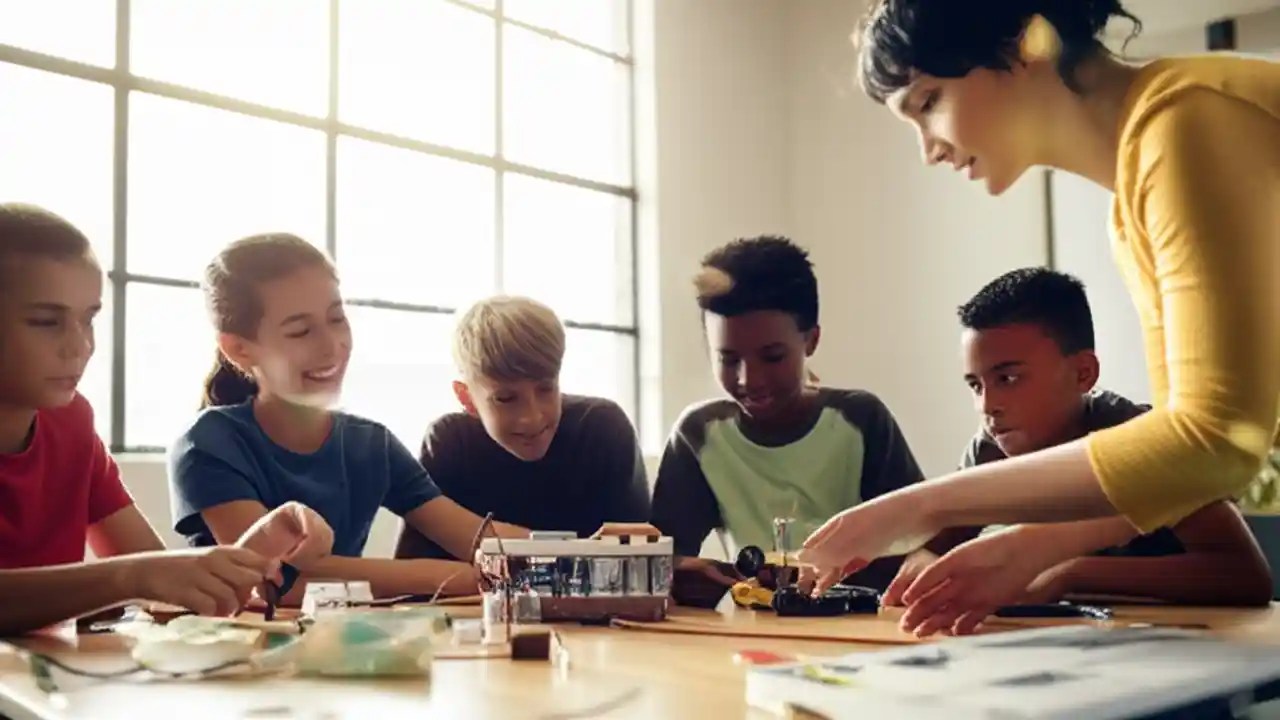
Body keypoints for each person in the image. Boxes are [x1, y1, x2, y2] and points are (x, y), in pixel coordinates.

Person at [801, 0, 1280, 636]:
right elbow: (1191, 461)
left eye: (929, 102)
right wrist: (1030, 547)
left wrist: (920, 506)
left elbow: (1213, 441)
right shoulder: (1134, 207)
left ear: (1024, 43)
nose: (928, 150)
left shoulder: (1187, 121)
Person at [0, 203, 328, 635]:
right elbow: (138, 573)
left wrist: (250, 554)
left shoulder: (72, 422)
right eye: (46, 322)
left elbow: (159, 585)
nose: (81, 345)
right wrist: (132, 576)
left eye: (89, 319)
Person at [882, 268, 1271, 611]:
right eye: (975, 385)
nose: (988, 405)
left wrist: (1072, 573)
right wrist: (924, 564)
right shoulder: (990, 447)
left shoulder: (1143, 440)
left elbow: (1245, 576)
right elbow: (938, 545)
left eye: (1008, 379)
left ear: (1084, 373)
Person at [169, 234, 526, 604]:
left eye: (337, 319)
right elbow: (273, 580)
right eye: (301, 331)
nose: (331, 345)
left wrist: (563, 550)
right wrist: (454, 577)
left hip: (339, 635)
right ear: (239, 349)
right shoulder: (208, 442)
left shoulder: (371, 444)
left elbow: (477, 538)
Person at [650, 236, 929, 602]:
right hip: (757, 624)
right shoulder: (699, 436)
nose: (749, 379)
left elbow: (918, 538)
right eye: (729, 359)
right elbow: (665, 557)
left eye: (772, 357)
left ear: (811, 340)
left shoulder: (860, 421)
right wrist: (684, 571)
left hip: (860, 620)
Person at [395, 295, 650, 559]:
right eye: (505, 399)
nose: (532, 418)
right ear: (466, 397)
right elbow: (417, 571)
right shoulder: (450, 443)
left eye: (546, 388)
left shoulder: (601, 430)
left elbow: (638, 559)